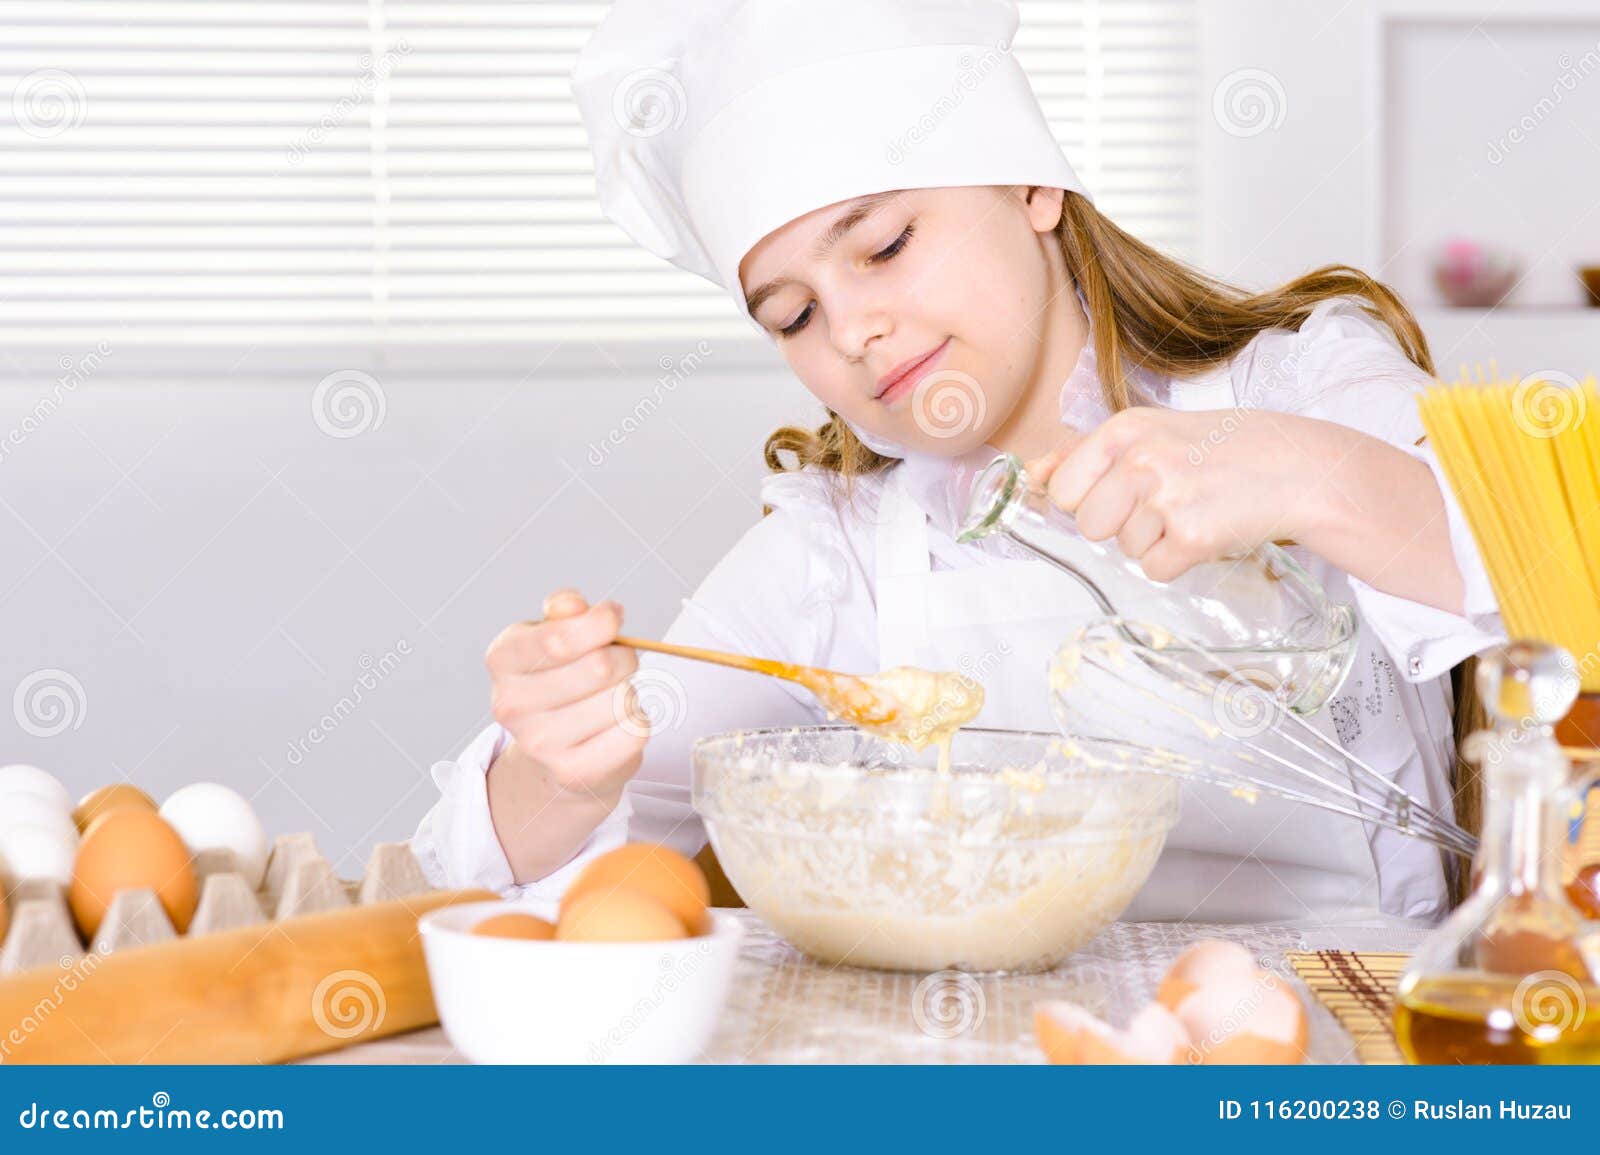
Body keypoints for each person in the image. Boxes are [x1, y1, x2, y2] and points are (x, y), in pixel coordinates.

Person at [412, 0, 1503, 924]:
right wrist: (557, 763)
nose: (849, 332)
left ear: (1031, 184)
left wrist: (1302, 473)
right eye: (792, 316)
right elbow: (493, 877)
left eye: (883, 246)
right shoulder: (835, 549)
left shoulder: (1300, 383)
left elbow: (1554, 574)